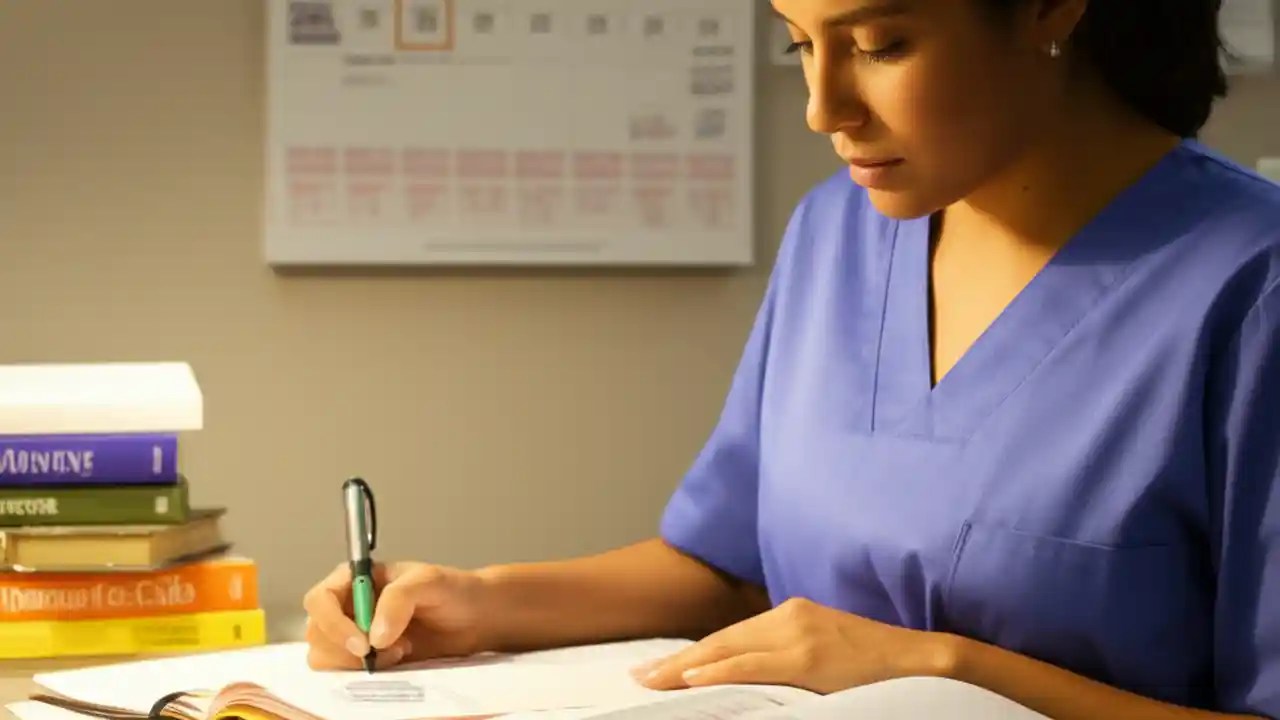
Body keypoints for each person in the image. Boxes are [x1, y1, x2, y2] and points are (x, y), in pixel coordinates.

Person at [303, 0, 1280, 717]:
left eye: (876, 45)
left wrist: (942, 671)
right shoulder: (836, 235)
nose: (822, 108)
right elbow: (731, 570)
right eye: (798, 45)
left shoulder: (1249, 286)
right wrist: (482, 603)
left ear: (1045, 9)